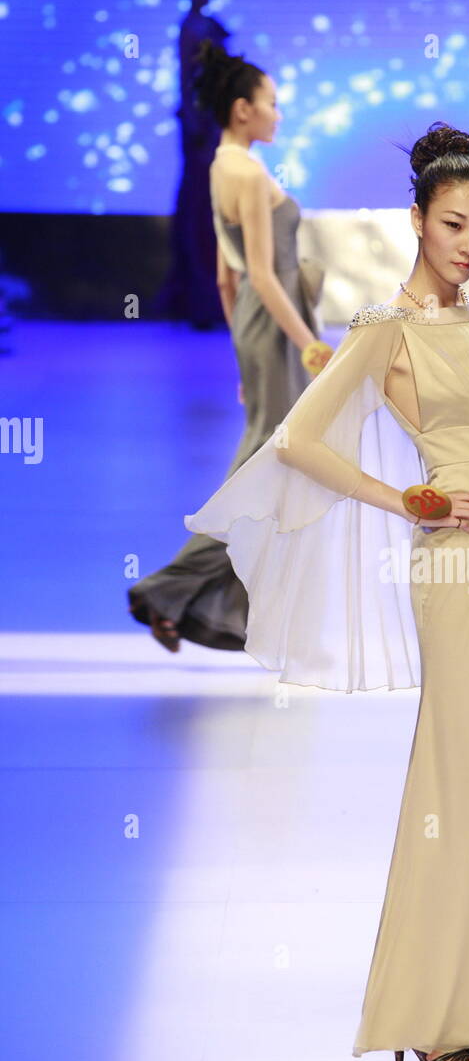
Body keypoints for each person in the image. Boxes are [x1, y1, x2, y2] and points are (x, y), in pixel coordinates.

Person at [184, 122, 469, 1061]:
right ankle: (432, 1012)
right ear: (416, 222)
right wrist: (407, 498)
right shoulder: (386, 330)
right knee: (457, 778)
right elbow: (299, 440)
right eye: (453, 226)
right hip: (456, 563)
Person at [129, 42, 331, 652]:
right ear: (242, 109)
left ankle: (213, 605)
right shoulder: (246, 172)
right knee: (266, 470)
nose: (278, 113)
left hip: (257, 328)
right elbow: (264, 276)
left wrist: (250, 352)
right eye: (271, 103)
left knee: (272, 466)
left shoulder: (221, 168)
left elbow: (228, 277)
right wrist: (308, 345)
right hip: (276, 326)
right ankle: (169, 589)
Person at [154, 0, 229, 330]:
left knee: (214, 208)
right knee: (200, 209)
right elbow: (187, 80)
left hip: (214, 123)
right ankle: (200, 300)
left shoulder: (210, 25)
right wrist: (197, 124)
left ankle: (214, 300)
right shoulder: (191, 28)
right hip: (200, 128)